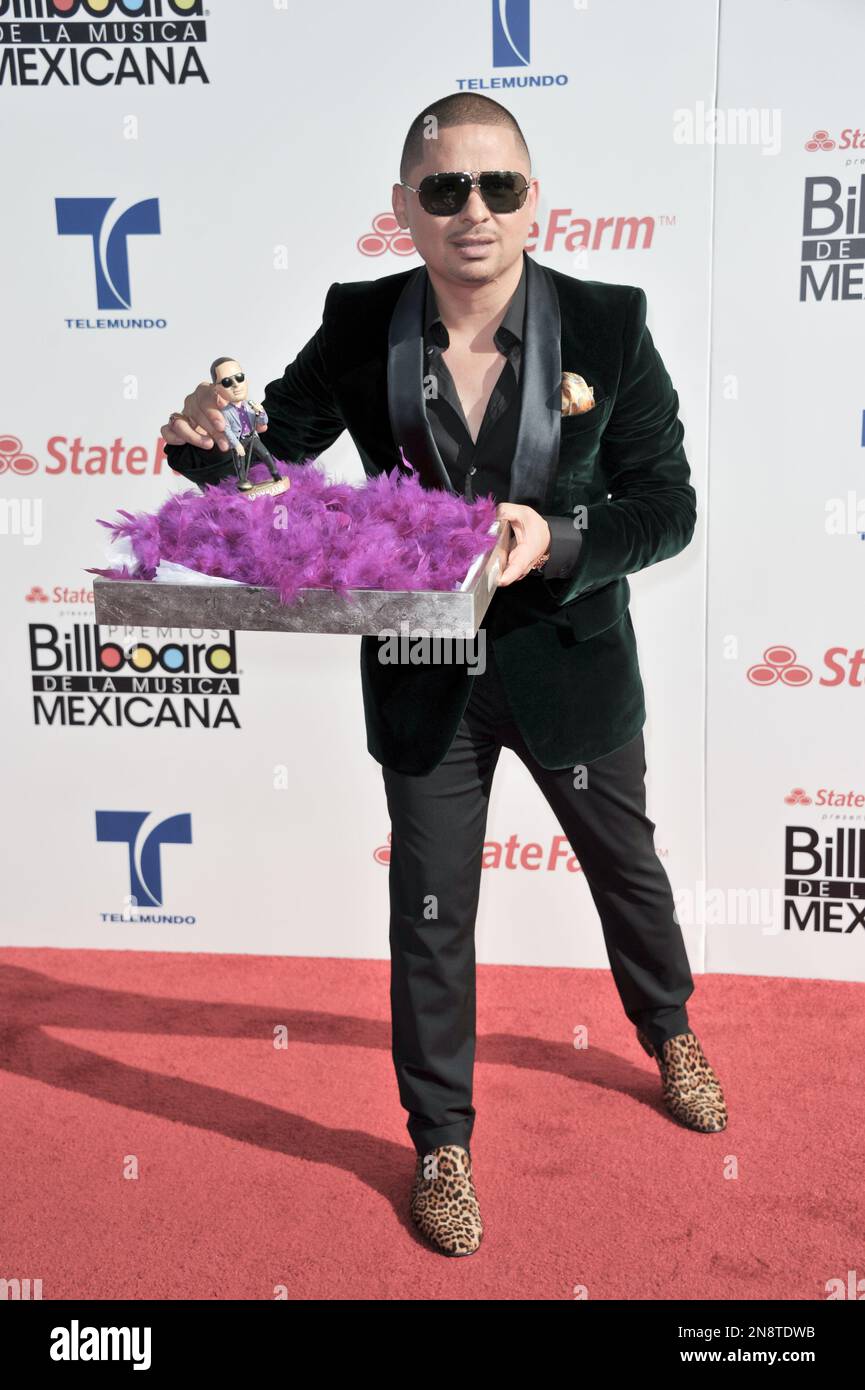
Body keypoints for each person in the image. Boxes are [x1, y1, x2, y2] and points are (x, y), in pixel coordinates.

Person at [160, 92, 727, 1260]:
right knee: (429, 913)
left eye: (499, 187)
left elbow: (665, 508)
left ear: (534, 205)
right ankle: (441, 1143)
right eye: (445, 189)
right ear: (404, 214)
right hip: (423, 667)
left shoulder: (610, 324)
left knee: (626, 866)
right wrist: (204, 443)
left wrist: (557, 541)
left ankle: (668, 1028)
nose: (475, 210)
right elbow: (268, 466)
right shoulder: (362, 321)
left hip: (569, 661)